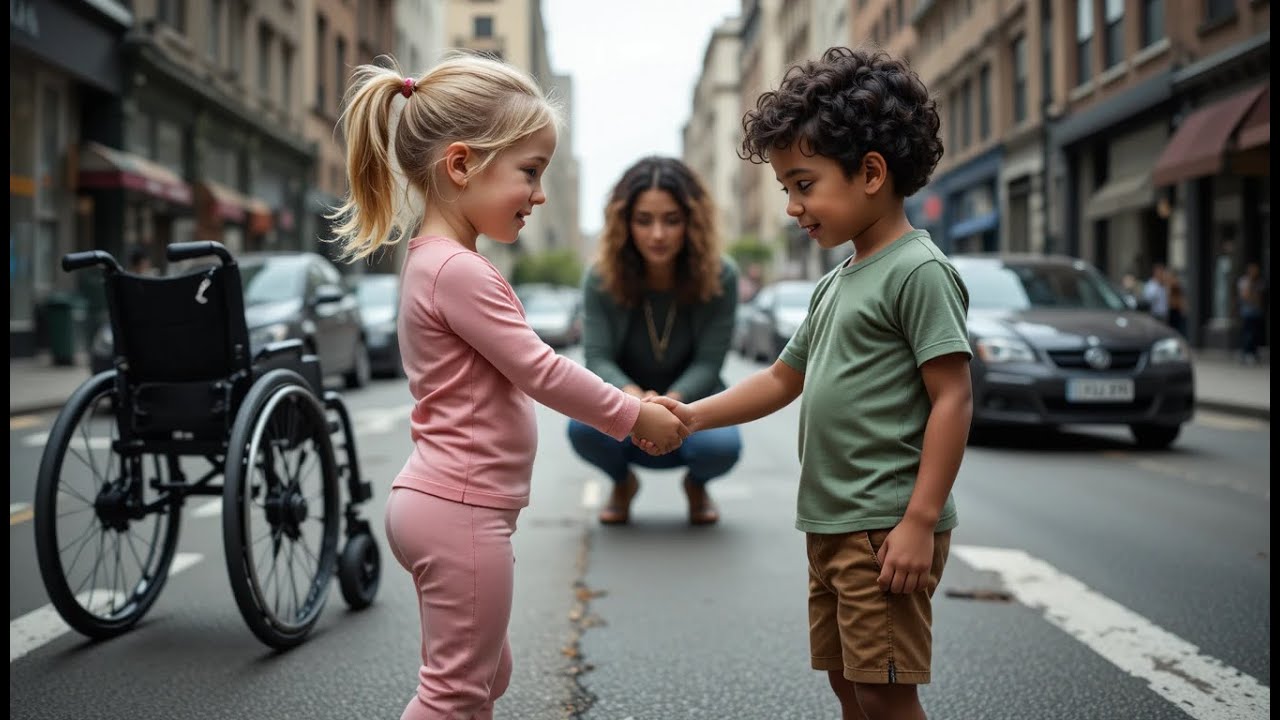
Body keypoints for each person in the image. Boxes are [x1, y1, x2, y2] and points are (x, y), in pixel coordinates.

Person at [330, 54, 688, 720]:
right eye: (530, 171)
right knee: (455, 695)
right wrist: (633, 416)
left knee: (485, 679)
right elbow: (542, 369)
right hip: (459, 511)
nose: (540, 193)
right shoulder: (458, 272)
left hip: (446, 504)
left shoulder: (435, 263)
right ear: (461, 165)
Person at [647, 47, 972, 720]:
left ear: (872, 173)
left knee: (885, 690)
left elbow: (953, 397)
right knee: (848, 682)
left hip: (884, 526)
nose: (793, 206)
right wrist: (689, 415)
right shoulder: (836, 281)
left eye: (803, 184)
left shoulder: (919, 271)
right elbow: (778, 379)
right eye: (787, 190)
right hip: (832, 523)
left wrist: (917, 521)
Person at [569, 156, 742, 526]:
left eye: (672, 220)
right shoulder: (600, 278)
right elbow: (597, 358)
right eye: (644, 220)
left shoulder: (721, 276)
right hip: (627, 410)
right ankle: (622, 483)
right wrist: (638, 405)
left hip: (692, 410)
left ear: (691, 223)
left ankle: (697, 485)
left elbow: (709, 364)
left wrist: (668, 408)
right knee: (581, 428)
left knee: (722, 447)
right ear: (625, 223)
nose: (658, 234)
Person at [1238, 261, 1266, 364]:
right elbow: (1245, 296)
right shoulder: (1244, 281)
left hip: (1257, 312)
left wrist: (1253, 297)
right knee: (1248, 334)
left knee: (1256, 334)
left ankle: (1254, 353)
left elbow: (1259, 299)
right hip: (1247, 312)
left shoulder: (1260, 282)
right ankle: (1246, 353)